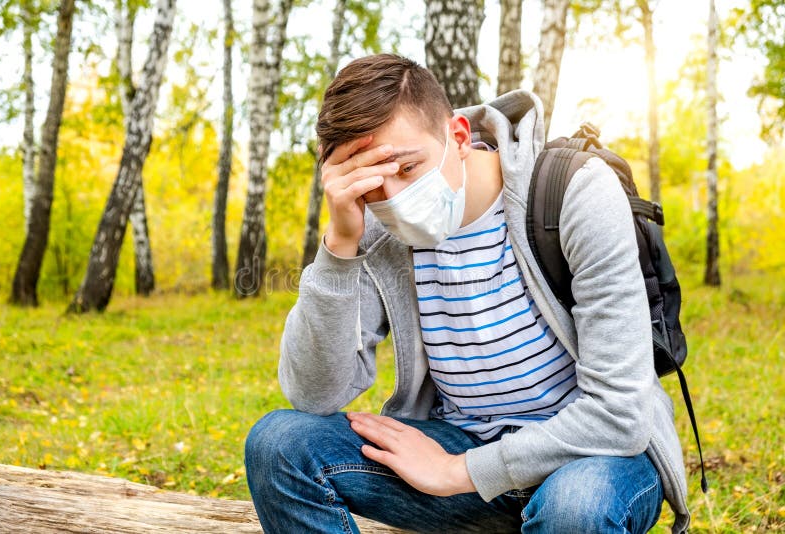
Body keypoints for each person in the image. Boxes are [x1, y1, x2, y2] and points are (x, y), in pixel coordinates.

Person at [244, 53, 690, 534]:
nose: (391, 196)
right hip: (459, 445)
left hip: (591, 458)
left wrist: (456, 472)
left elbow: (618, 415)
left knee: (573, 508)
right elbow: (313, 394)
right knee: (280, 443)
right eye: (371, 183)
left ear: (457, 137)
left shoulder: (576, 192)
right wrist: (340, 246)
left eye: (408, 167)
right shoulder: (374, 230)